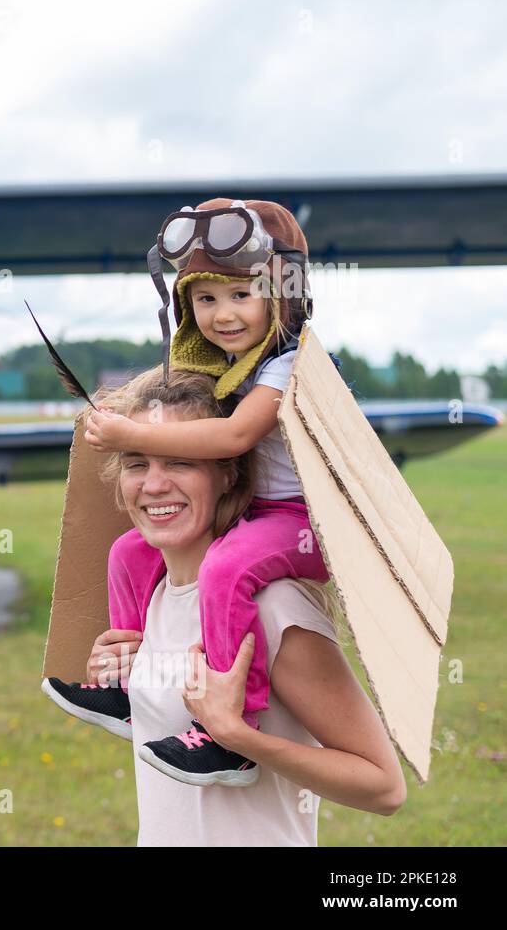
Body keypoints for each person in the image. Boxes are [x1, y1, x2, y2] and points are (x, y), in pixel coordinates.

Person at [45, 198, 330, 788]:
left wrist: (130, 432)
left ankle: (232, 728)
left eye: (240, 294)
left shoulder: (285, 364)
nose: (222, 314)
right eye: (205, 298)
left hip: (303, 522)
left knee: (225, 568)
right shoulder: (235, 363)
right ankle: (128, 680)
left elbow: (235, 435)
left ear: (281, 297)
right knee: (129, 551)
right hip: (254, 510)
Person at [68, 366, 405, 844]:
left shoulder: (271, 606)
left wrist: (239, 737)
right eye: (136, 463)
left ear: (228, 473)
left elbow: (383, 787)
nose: (155, 484)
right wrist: (129, 677)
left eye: (181, 461)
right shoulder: (155, 596)